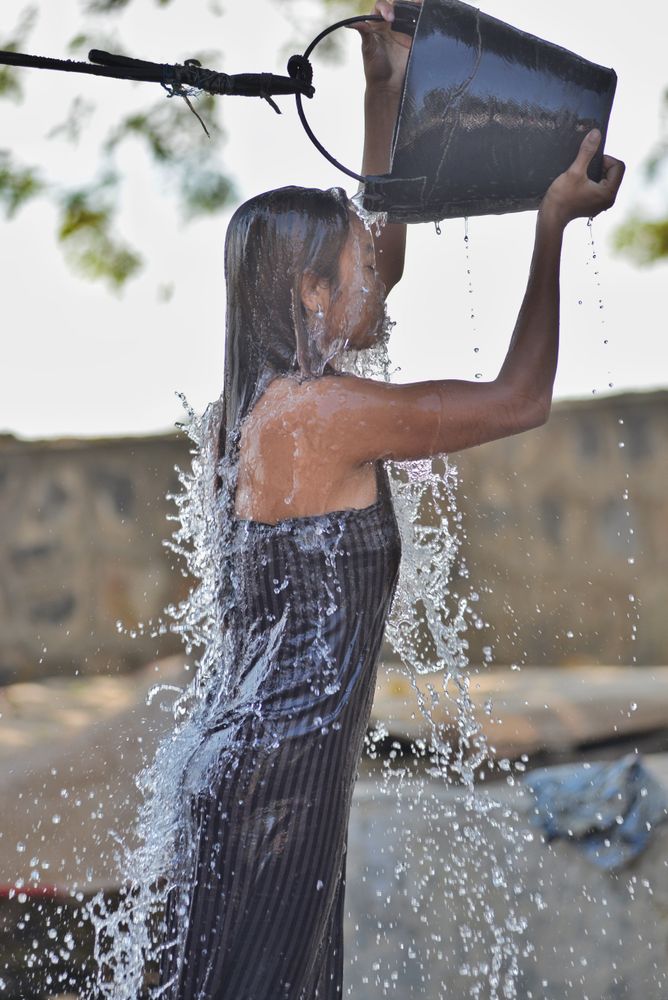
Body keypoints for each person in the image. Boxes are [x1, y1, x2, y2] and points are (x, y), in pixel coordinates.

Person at [157, 2, 625, 997]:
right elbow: (515, 399)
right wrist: (547, 229)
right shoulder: (318, 415)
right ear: (314, 298)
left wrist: (386, 90)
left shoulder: (252, 409)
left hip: (251, 769)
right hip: (272, 792)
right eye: (356, 265)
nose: (382, 268)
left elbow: (382, 250)